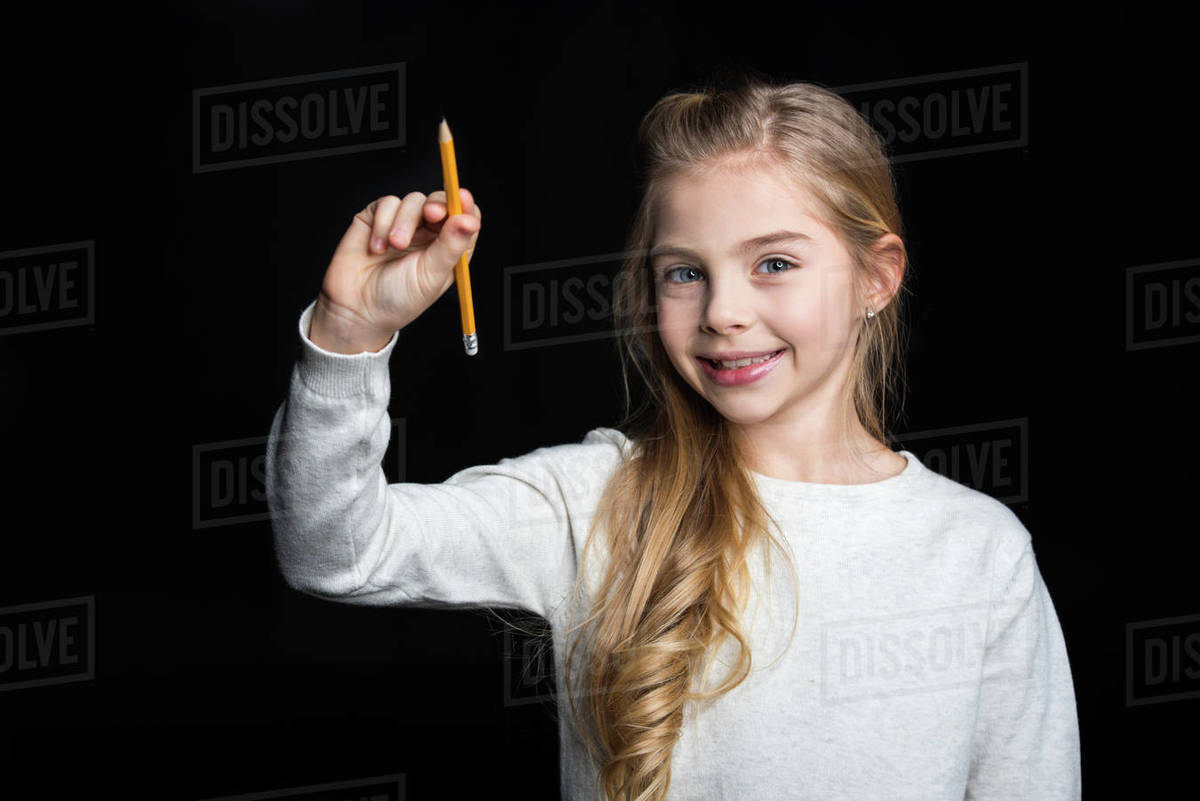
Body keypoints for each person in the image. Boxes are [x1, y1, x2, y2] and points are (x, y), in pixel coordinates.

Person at [266, 73, 1081, 801]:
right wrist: (349, 331)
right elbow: (338, 551)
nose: (723, 312)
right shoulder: (598, 502)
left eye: (774, 264)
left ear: (877, 277)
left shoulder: (980, 553)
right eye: (684, 272)